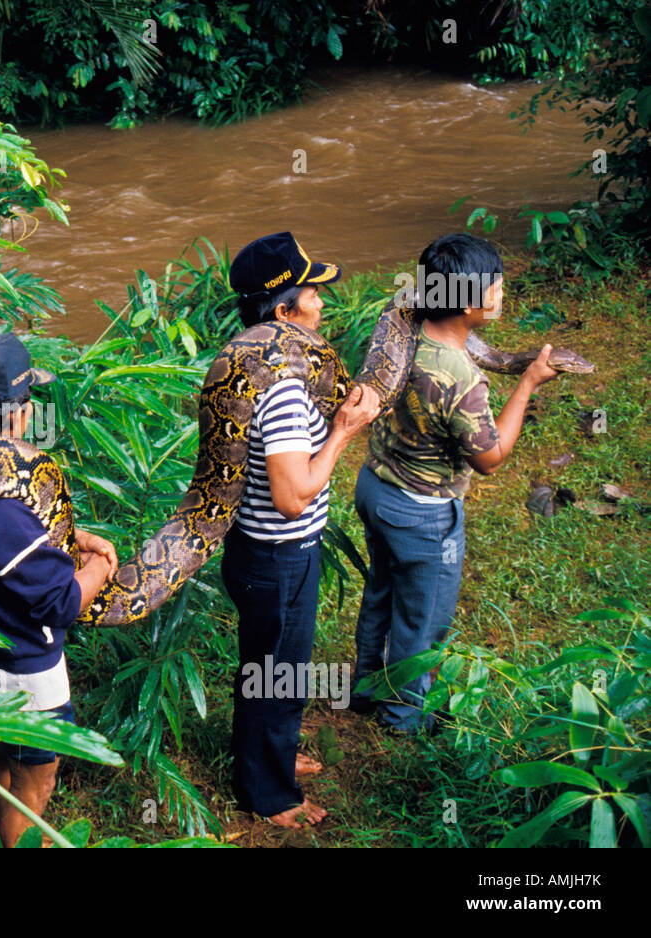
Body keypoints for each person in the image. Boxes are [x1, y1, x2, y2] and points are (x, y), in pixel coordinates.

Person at [351, 233, 559, 732]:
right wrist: (527, 383)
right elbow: (490, 457)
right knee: (422, 619)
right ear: (468, 303)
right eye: (497, 287)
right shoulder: (460, 376)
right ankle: (403, 718)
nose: (503, 293)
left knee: (381, 590)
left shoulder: (405, 330)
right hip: (423, 513)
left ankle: (363, 687)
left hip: (376, 487)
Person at [223, 233, 381, 828]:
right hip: (278, 550)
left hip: (262, 548)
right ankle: (269, 794)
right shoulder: (285, 389)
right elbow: (292, 497)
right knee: (274, 669)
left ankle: (275, 748)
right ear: (284, 312)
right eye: (312, 289)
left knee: (275, 661)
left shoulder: (251, 362)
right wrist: (343, 430)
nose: (323, 299)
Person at [0, 332, 118, 847]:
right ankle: (21, 839)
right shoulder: (3, 508)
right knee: (38, 779)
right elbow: (58, 602)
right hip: (22, 667)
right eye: (29, 398)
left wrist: (74, 538)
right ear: (14, 413)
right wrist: (99, 569)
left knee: (5, 754)